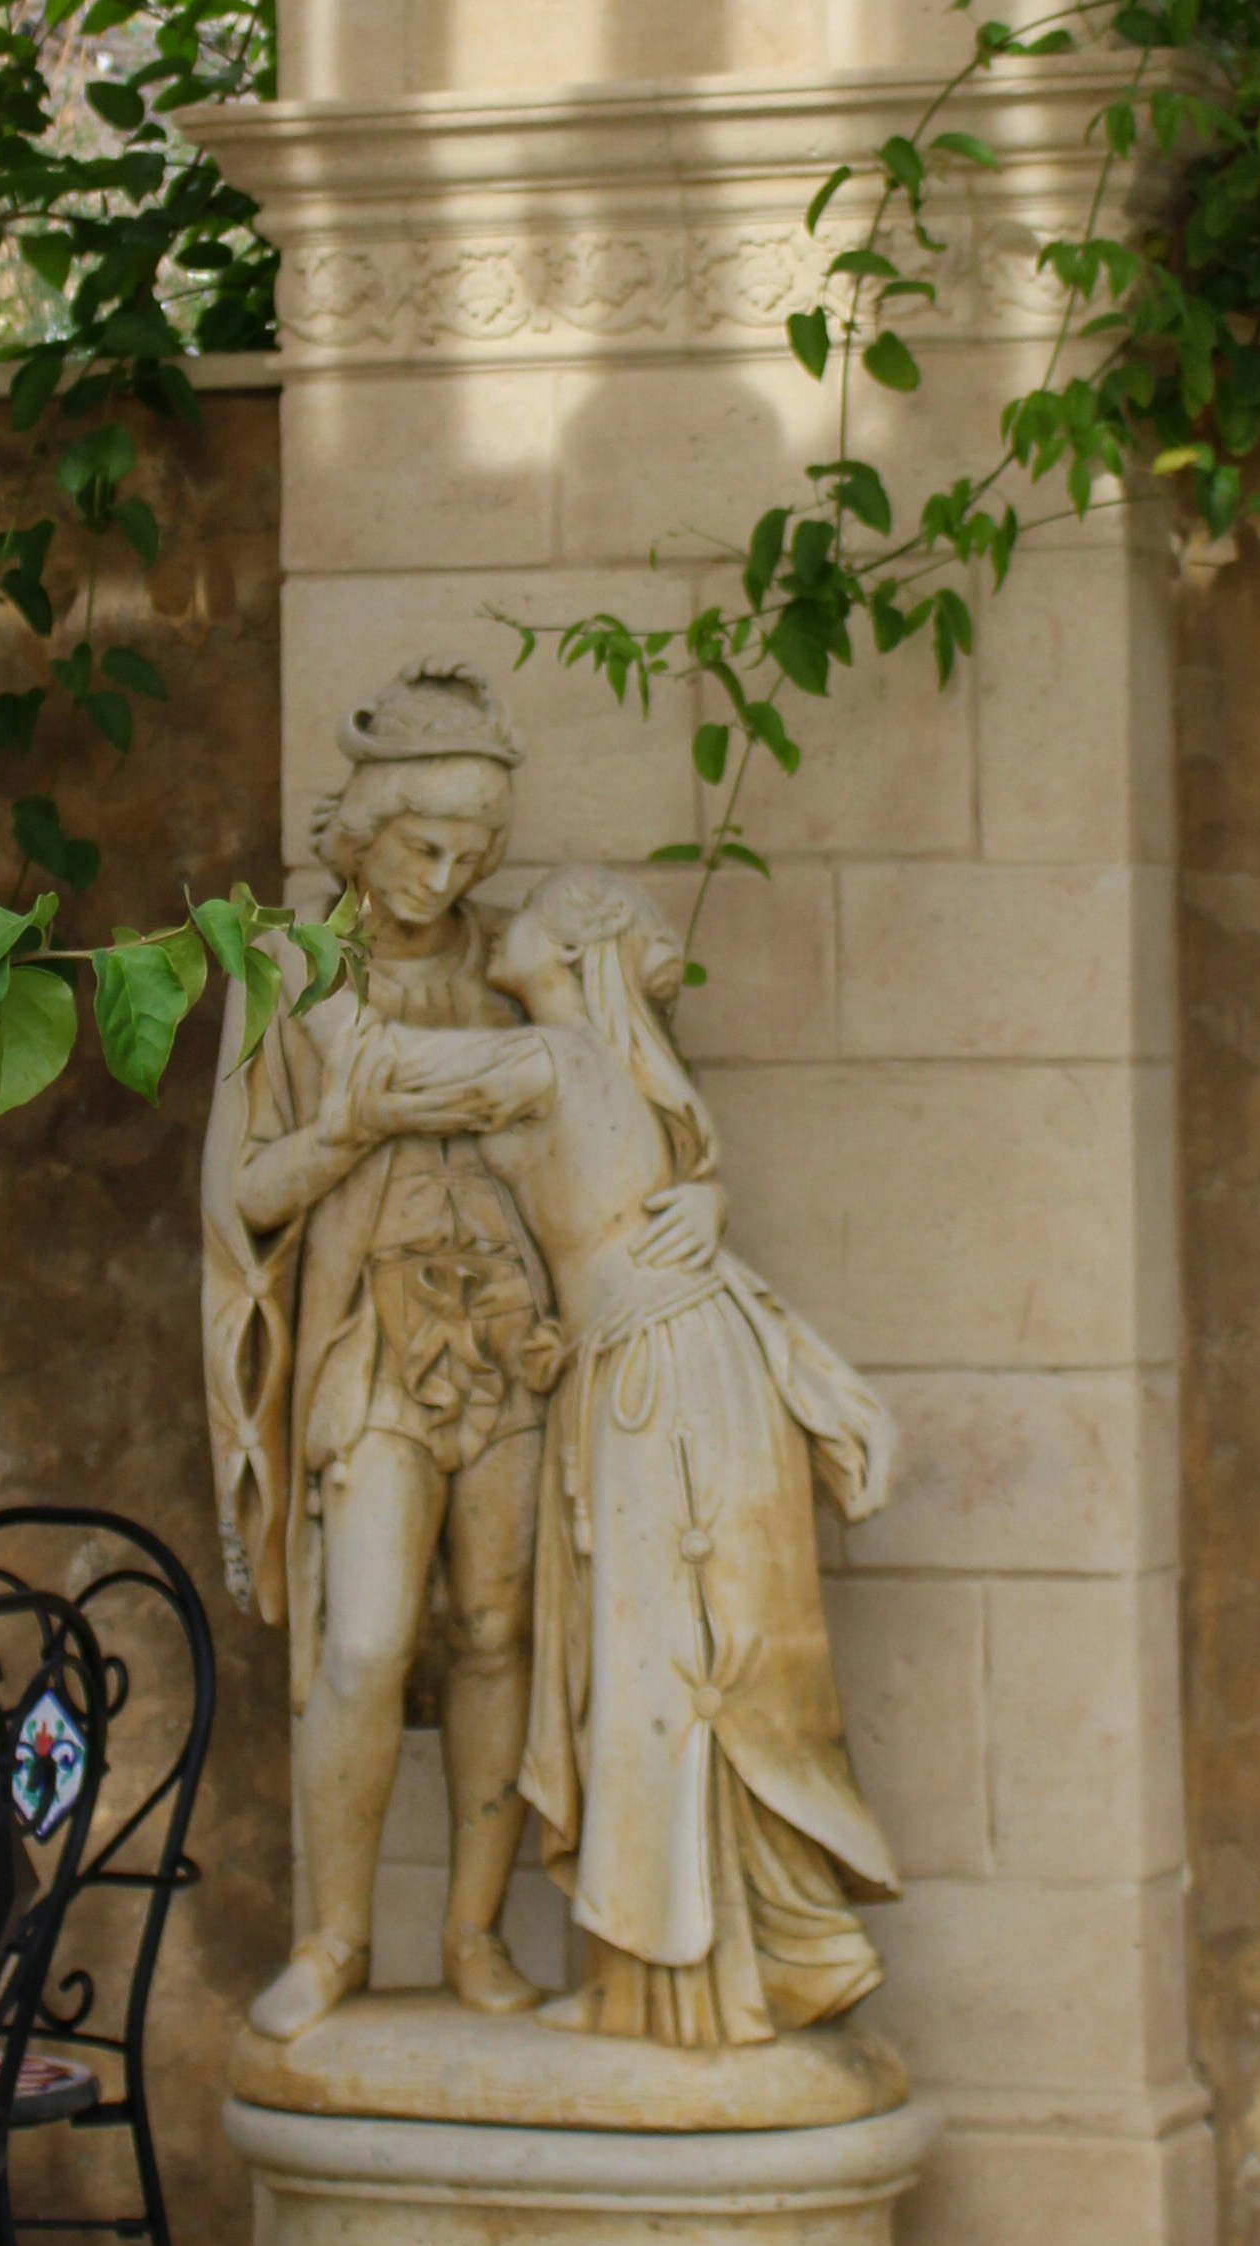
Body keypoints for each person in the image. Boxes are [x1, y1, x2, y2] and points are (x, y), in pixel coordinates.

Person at [345, 862, 902, 2051]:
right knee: (687, 1655)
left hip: (663, 1385)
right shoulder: (615, 1072)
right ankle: (722, 1977)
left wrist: (304, 950)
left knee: (670, 1662)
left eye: (536, 901)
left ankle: (703, 1985)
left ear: (568, 945)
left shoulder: (547, 1060)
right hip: (669, 1368)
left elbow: (374, 1070)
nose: (509, 908)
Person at [202, 663, 562, 2038]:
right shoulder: (289, 964)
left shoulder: (517, 961)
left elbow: (594, 1106)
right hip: (372, 1330)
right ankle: (337, 1936)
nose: (446, 873)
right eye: (424, 844)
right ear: (363, 826)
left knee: (495, 1625)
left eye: (473, 852)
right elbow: (244, 1191)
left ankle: (469, 1936)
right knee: (364, 1642)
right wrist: (352, 1130)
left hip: (509, 1327)